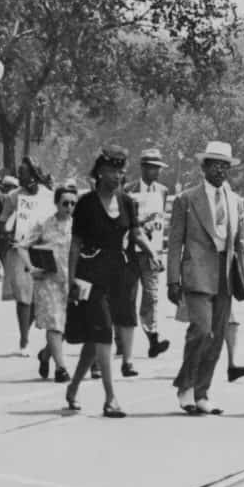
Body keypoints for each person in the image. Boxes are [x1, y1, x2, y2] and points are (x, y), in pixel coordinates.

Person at [166, 139, 244, 415]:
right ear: (203, 167)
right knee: (201, 331)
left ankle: (202, 392)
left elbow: (242, 242)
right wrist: (172, 279)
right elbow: (175, 242)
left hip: (225, 274)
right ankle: (185, 386)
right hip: (196, 273)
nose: (220, 171)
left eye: (225, 166)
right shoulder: (187, 199)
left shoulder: (235, 201)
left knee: (216, 337)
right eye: (215, 165)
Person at [64, 147, 136, 417]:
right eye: (111, 170)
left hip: (118, 277)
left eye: (120, 170)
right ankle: (110, 398)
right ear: (99, 173)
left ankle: (72, 388)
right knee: (104, 331)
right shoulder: (85, 204)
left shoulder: (128, 203)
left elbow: (135, 235)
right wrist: (70, 280)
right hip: (90, 277)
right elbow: (75, 245)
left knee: (95, 341)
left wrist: (151, 255)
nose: (117, 176)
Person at [125, 148, 174, 366]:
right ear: (144, 168)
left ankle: (153, 337)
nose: (157, 172)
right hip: (131, 250)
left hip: (152, 251)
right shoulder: (128, 190)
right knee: (128, 295)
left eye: (159, 168)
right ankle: (121, 338)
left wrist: (160, 250)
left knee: (152, 295)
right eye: (153, 168)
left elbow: (161, 222)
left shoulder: (163, 191)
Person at [29, 181, 78, 383]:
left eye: (73, 204)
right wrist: (32, 268)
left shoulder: (78, 226)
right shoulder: (43, 224)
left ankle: (46, 354)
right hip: (48, 282)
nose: (69, 208)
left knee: (65, 327)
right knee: (54, 323)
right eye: (65, 203)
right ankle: (61, 368)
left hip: (70, 280)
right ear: (56, 203)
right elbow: (23, 247)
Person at [0, 162, 46, 355]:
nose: (21, 177)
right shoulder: (13, 197)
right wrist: (8, 236)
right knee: (23, 295)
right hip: (19, 251)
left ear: (34, 173)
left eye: (23, 173)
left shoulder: (47, 195)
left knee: (36, 296)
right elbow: (2, 222)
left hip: (42, 250)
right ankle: (24, 340)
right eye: (19, 174)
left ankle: (27, 328)